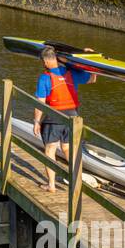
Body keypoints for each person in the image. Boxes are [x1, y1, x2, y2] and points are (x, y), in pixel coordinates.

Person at [33, 45, 96, 192]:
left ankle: (52, 185)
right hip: (73, 118)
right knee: (68, 149)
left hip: (53, 119)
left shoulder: (45, 78)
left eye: (42, 61)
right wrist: (91, 62)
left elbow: (40, 102)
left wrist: (36, 121)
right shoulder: (71, 72)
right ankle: (76, 182)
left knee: (50, 150)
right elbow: (92, 79)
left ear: (45, 61)